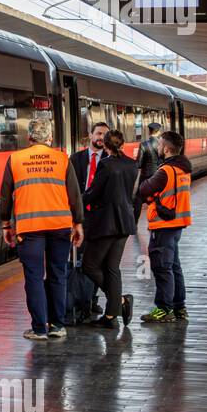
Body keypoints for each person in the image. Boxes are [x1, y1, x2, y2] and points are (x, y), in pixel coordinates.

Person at [0, 118, 84, 341]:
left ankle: (39, 328)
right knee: (58, 274)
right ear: (50, 138)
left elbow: (5, 195)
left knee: (34, 277)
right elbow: (74, 195)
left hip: (29, 228)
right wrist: (78, 223)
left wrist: (5, 224)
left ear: (28, 138)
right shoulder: (62, 159)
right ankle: (57, 325)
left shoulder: (15, 159)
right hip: (60, 226)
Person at [79, 129, 137, 330]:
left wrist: (78, 202)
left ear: (105, 145)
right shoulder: (131, 164)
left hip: (106, 223)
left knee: (90, 265)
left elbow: (94, 193)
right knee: (112, 267)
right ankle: (112, 312)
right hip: (125, 222)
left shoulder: (106, 165)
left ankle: (119, 302)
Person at [138, 130, 192, 323]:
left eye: (159, 145)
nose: (157, 148)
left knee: (162, 267)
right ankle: (179, 307)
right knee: (174, 266)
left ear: (167, 149)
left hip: (164, 224)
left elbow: (143, 189)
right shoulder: (183, 169)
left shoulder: (166, 171)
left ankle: (164, 309)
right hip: (177, 224)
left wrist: (151, 196)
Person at [69, 121, 108, 322]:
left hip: (101, 219)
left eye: (104, 135)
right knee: (79, 259)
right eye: (98, 133)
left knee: (96, 262)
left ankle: (92, 299)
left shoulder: (110, 161)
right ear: (90, 136)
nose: (101, 137)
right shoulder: (75, 159)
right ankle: (80, 300)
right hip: (81, 217)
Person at [134, 122, 163, 224]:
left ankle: (134, 224)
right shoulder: (162, 145)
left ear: (149, 131)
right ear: (158, 131)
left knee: (138, 200)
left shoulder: (143, 145)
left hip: (145, 177)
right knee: (158, 199)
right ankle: (159, 220)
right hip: (159, 176)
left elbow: (139, 163)